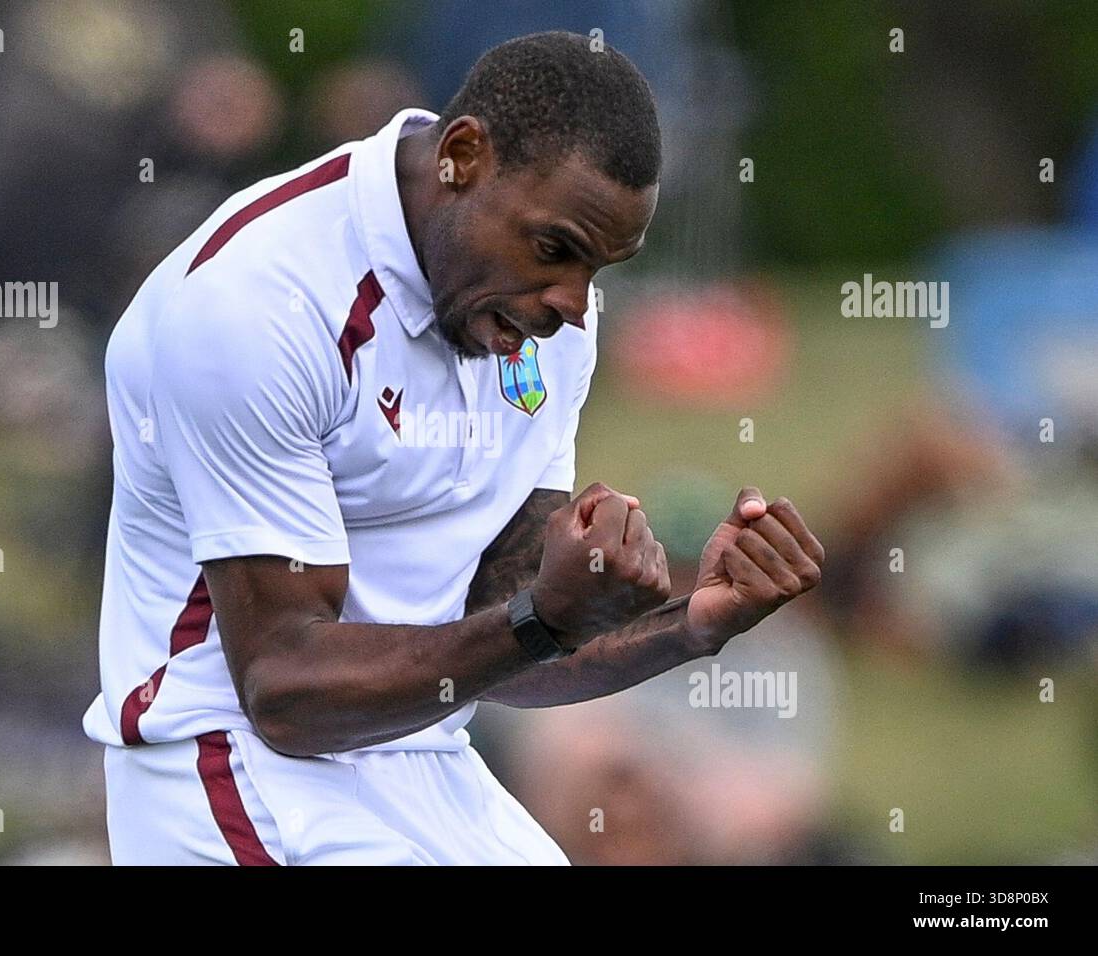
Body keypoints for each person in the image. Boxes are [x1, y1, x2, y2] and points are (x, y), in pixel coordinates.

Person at [82, 31, 824, 865]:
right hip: (231, 770)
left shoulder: (539, 318)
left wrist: (686, 624)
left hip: (426, 759)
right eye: (556, 250)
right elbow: (283, 690)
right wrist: (542, 620)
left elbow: (500, 637)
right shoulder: (258, 305)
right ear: (462, 157)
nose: (573, 305)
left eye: (600, 268)